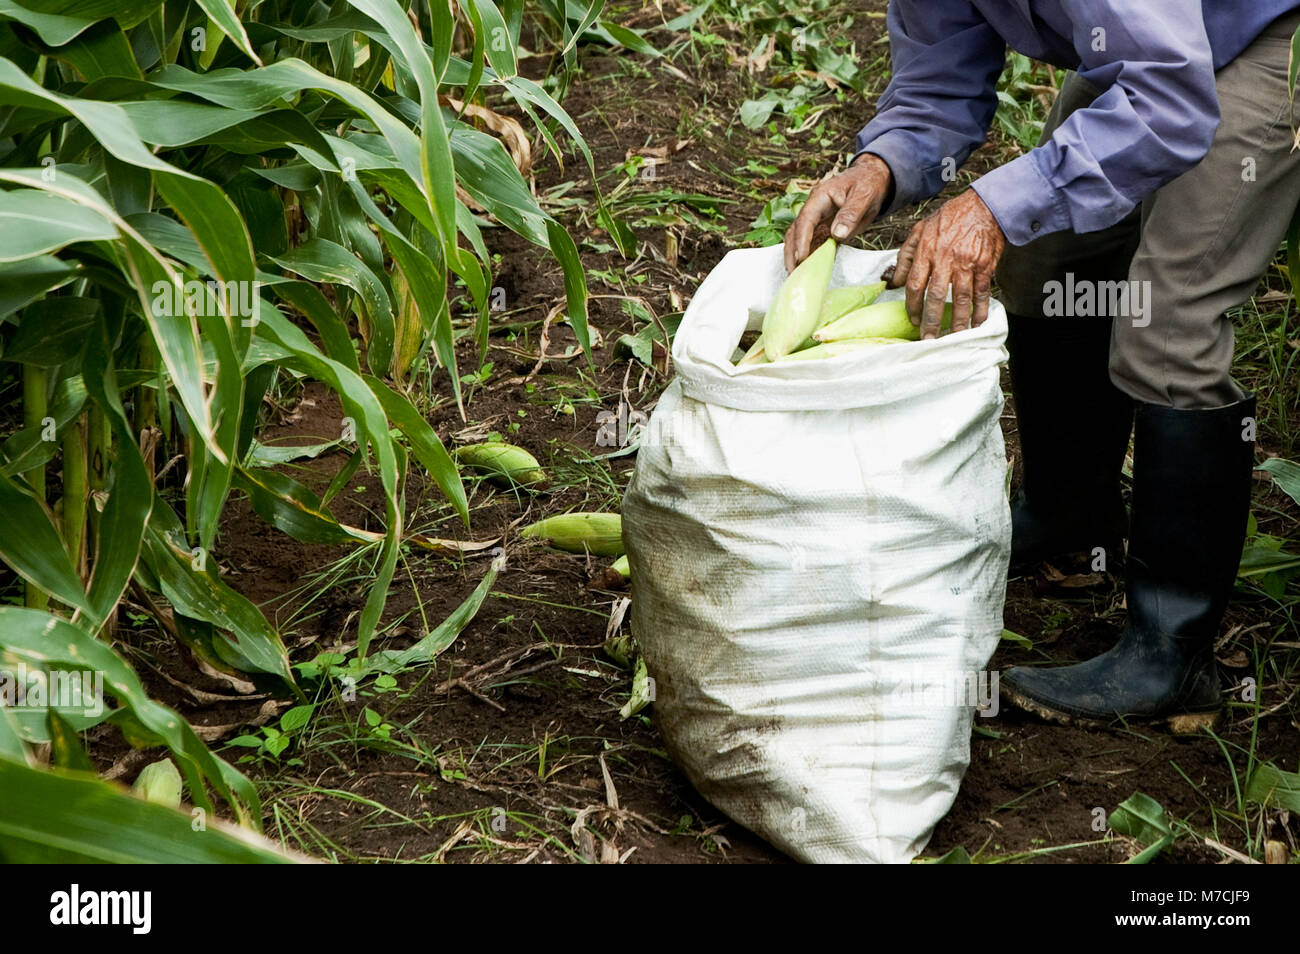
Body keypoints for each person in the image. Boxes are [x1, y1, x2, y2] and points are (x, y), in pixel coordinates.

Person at [785, 1, 1300, 731]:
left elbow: (1171, 105)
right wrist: (882, 163)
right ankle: (1071, 513)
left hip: (1258, 42)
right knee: (1049, 255)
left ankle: (1172, 654)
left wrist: (991, 209)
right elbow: (938, 83)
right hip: (1152, 55)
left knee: (1166, 320)